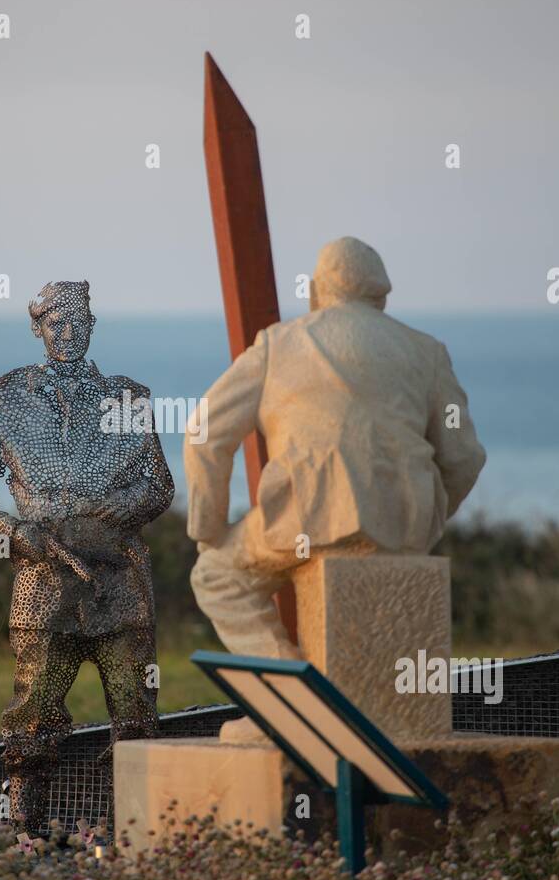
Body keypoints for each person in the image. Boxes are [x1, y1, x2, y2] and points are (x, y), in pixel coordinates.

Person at [186, 237, 486, 660]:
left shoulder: (278, 345)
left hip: (306, 521)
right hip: (403, 525)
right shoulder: (427, 352)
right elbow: (464, 456)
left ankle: (294, 699)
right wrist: (423, 521)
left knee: (217, 575)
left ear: (315, 290)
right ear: (380, 295)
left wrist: (207, 526)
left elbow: (204, 430)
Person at [0, 280, 174, 825]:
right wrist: (15, 533)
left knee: (136, 714)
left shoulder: (130, 398)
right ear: (38, 329)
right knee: (31, 717)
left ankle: (139, 832)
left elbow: (160, 484)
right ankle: (26, 834)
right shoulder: (1, 402)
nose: (69, 334)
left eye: (78, 323)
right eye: (57, 324)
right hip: (44, 584)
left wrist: (123, 506)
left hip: (119, 581)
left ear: (93, 327)